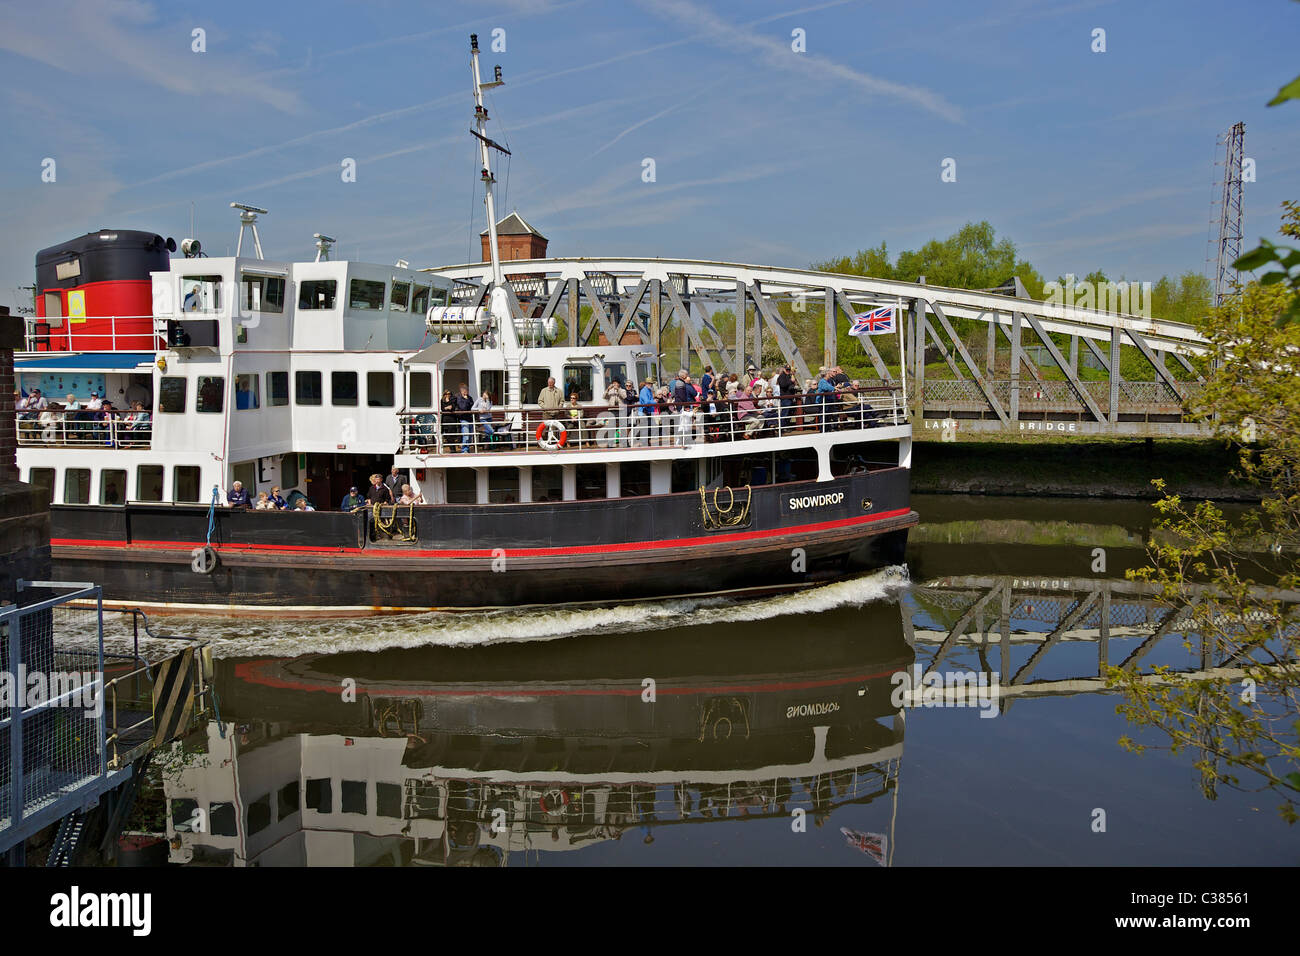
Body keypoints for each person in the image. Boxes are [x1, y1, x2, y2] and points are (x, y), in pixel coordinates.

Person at [452, 382, 475, 452]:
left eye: (467, 390)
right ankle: (464, 450)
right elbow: (463, 407)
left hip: (470, 418)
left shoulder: (469, 397)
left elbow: (473, 406)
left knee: (470, 436)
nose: (466, 391)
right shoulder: (458, 397)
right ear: (461, 390)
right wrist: (466, 399)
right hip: (463, 419)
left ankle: (467, 449)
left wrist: (467, 399)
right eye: (464, 390)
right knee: (466, 435)